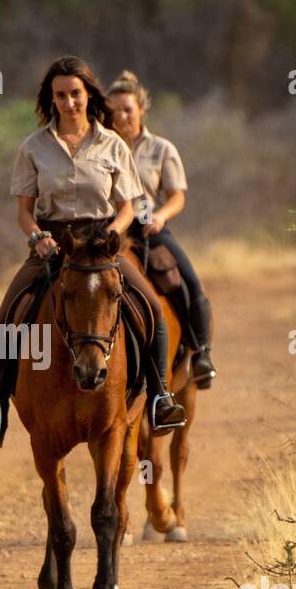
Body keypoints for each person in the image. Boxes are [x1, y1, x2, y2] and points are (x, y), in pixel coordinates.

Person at [0, 56, 188, 447]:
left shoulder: (112, 144)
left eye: (75, 94)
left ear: (88, 95)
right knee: (4, 321)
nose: (69, 103)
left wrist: (115, 234)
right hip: (52, 244)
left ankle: (159, 397)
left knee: (151, 308)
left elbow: (127, 206)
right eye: (60, 96)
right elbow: (23, 211)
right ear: (50, 100)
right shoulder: (33, 147)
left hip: (102, 243)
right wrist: (38, 238)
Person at [106, 71, 216, 387]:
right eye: (114, 110)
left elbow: (177, 196)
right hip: (111, 229)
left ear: (141, 109)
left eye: (127, 109)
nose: (121, 116)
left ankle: (201, 354)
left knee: (190, 284)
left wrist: (162, 217)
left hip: (148, 227)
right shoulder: (103, 146)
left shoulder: (161, 149)